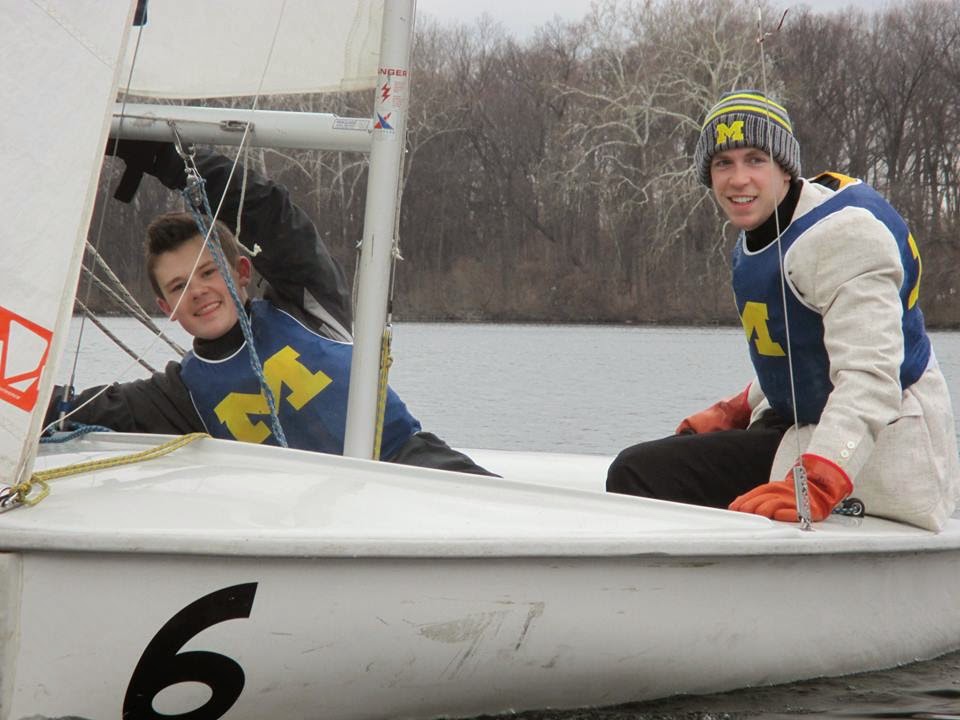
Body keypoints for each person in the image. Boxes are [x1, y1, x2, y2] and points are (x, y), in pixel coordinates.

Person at [606, 90, 959, 531]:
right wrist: (741, 405)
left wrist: (820, 480)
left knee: (637, 473)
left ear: (785, 167)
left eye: (755, 159)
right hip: (802, 420)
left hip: (881, 449)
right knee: (672, 456)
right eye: (723, 163)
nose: (738, 179)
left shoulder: (842, 236)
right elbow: (806, 347)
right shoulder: (767, 231)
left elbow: (872, 377)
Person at [49, 141, 493, 475]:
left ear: (243, 271)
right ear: (167, 307)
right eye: (180, 286)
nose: (199, 291)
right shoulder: (182, 395)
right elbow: (82, 411)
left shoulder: (307, 304)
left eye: (209, 272)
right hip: (305, 521)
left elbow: (270, 213)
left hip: (412, 469)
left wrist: (169, 162)